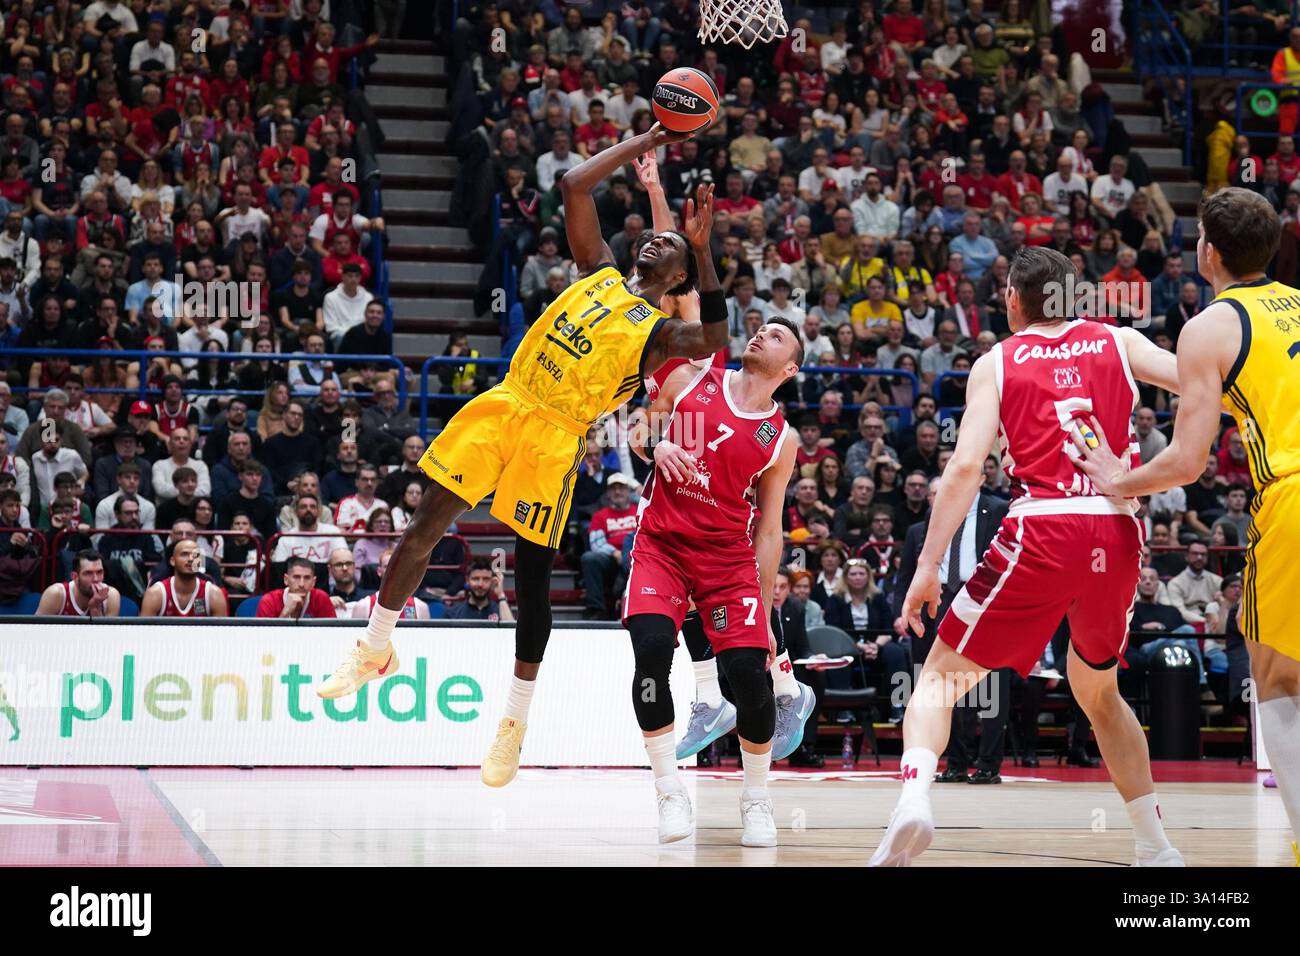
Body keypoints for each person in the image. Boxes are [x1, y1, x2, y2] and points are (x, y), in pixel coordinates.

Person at [317, 123, 730, 794]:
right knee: (424, 527)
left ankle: (513, 723)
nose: (656, 240)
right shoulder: (596, 271)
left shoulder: (659, 333)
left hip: (556, 436)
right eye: (655, 235)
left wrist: (706, 252)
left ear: (679, 276)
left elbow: (713, 337)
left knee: (532, 584)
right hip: (506, 403)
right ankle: (374, 647)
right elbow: (572, 184)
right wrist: (648, 136)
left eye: (673, 248)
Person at [874, 246, 1185, 867]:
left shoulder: (998, 360)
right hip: (1116, 531)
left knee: (937, 678)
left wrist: (929, 565)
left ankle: (912, 801)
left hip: (1043, 528)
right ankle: (1156, 848)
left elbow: (965, 467)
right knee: (1098, 691)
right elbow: (1203, 384)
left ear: (1014, 299)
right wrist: (1147, 472)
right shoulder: (1120, 342)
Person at [1075, 188, 1300, 862]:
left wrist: (1120, 479)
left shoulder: (1211, 325)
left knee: (1280, 680)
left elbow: (1187, 462)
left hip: (1292, 498)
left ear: (1208, 249)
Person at [621, 317, 804, 847]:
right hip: (662, 545)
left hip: (727, 562)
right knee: (653, 652)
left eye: (776, 336)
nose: (760, 335)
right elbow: (637, 431)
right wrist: (653, 447)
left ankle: (756, 799)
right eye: (761, 328)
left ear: (789, 368)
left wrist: (767, 612)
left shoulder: (781, 439)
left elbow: (769, 531)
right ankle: (668, 791)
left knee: (748, 673)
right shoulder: (692, 377)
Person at [140, 538, 229, 616]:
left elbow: (219, 634)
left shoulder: (214, 594)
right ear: (172, 561)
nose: (190, 559)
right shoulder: (155, 594)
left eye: (195, 555)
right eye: (184, 554)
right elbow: (144, 633)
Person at [36, 549, 121, 617]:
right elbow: (36, 633)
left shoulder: (111, 595)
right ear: (74, 576)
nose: (96, 579)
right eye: (88, 573)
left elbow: (105, 637)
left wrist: (95, 607)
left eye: (99, 572)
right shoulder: (56, 594)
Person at [256, 556, 337, 618]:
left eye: (307, 578)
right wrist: (285, 612)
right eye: (296, 577)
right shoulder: (269, 601)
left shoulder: (321, 599)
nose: (301, 584)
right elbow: (265, 638)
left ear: (313, 582)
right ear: (286, 579)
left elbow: (332, 635)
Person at [446, 557, 514, 621]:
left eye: (486, 579)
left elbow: (511, 631)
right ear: (467, 580)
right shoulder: (453, 614)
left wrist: (501, 595)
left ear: (492, 581)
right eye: (475, 579)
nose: (480, 584)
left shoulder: (501, 610)